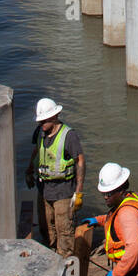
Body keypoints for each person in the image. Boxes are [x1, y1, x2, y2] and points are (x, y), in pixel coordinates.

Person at [26, 98, 85, 260]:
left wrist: (78, 192)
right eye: (40, 121)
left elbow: (80, 161)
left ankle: (65, 264)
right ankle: (51, 256)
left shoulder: (69, 136)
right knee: (46, 227)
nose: (41, 124)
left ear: (55, 117)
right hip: (44, 189)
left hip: (63, 191)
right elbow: (36, 150)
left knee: (64, 230)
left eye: (44, 121)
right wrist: (29, 170)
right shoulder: (40, 132)